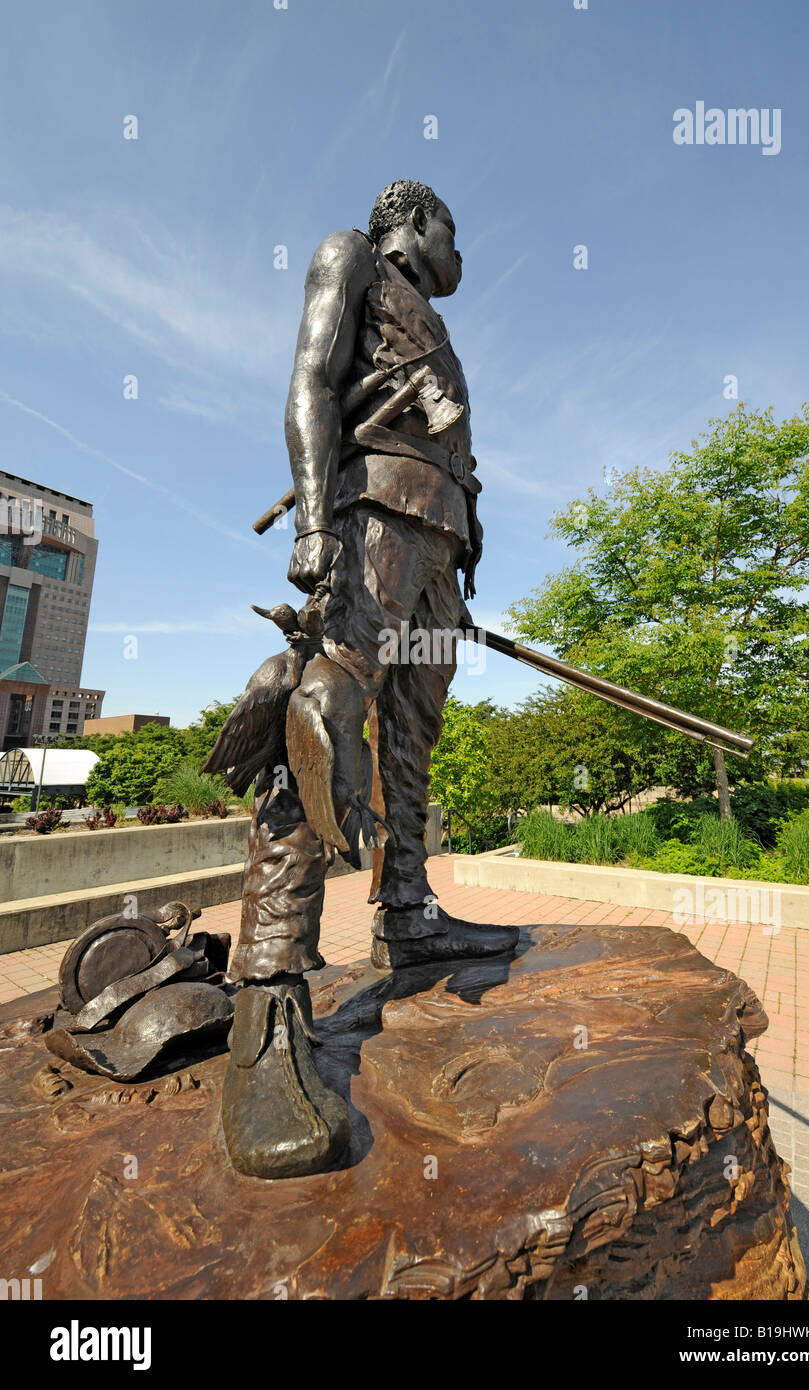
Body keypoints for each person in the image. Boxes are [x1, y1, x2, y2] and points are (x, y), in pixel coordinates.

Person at [220, 181, 518, 1179]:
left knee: (413, 739)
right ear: (416, 224)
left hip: (437, 550)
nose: (457, 255)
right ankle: (269, 996)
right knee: (323, 710)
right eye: (452, 234)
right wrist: (314, 524)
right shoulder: (350, 255)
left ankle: (409, 913)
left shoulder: (432, 319)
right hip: (371, 518)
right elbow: (311, 385)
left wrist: (459, 557)